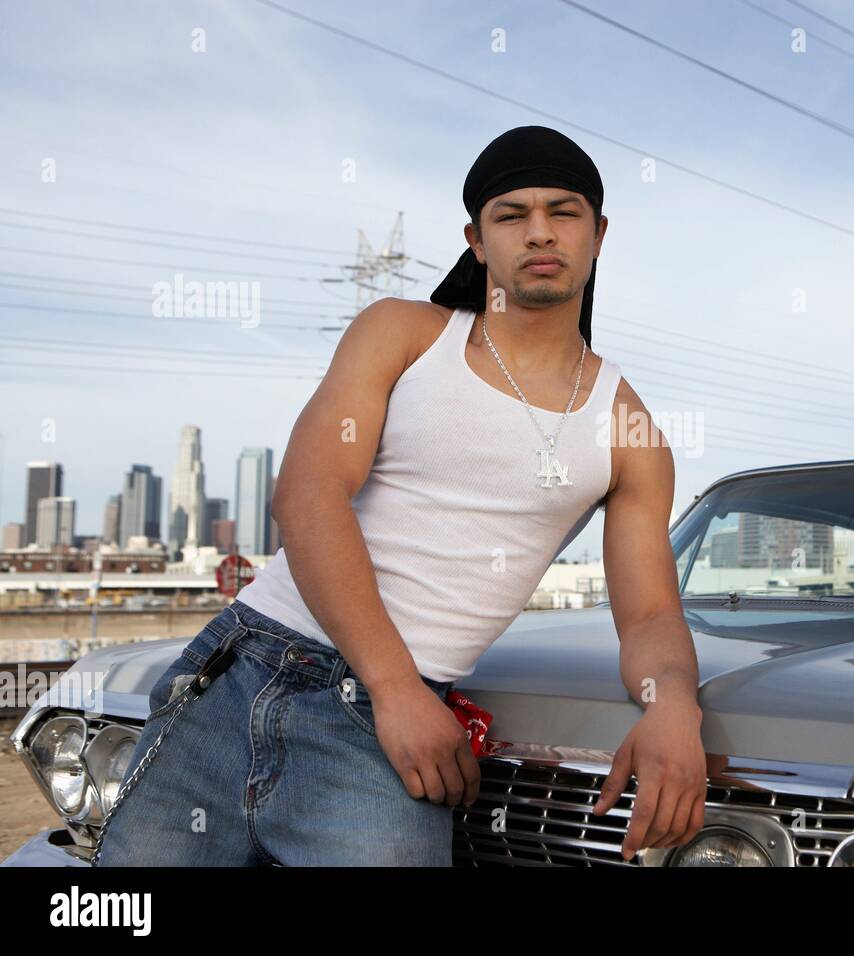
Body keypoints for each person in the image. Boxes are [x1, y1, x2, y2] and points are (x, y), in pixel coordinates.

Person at [93, 125, 707, 866]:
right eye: (510, 215)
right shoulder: (405, 334)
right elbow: (308, 494)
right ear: (477, 241)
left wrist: (673, 704)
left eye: (563, 211)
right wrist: (393, 687)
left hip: (392, 720)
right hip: (249, 668)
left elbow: (649, 613)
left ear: (598, 233)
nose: (538, 231)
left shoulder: (626, 426)